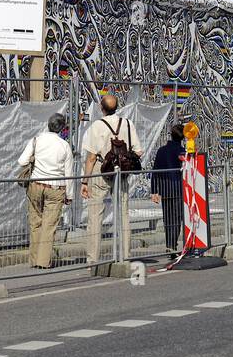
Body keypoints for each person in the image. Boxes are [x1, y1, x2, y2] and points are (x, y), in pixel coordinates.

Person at [81, 93, 142, 264]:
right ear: (117, 107)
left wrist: (85, 181)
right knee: (123, 212)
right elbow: (139, 151)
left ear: (101, 108)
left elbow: (91, 157)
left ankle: (93, 259)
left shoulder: (97, 126)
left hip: (102, 170)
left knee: (95, 216)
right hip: (122, 171)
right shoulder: (128, 124)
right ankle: (125, 255)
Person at [17, 113, 73, 269]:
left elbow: (21, 161)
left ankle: (34, 259)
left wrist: (34, 159)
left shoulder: (36, 140)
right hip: (56, 187)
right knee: (49, 225)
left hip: (35, 184)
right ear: (62, 128)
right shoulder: (64, 146)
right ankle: (43, 261)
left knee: (35, 223)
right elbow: (68, 173)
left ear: (48, 124)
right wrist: (69, 195)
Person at [150, 124, 186, 255]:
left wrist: (154, 191)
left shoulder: (161, 150)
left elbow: (154, 171)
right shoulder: (182, 151)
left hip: (164, 189)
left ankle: (168, 244)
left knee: (168, 218)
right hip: (178, 189)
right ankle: (172, 245)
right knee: (177, 218)